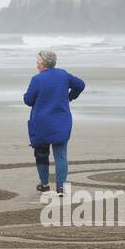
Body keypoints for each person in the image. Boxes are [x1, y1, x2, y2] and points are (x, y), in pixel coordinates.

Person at [23, 49, 85, 194]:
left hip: (42, 123)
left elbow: (28, 100)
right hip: (61, 121)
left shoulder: (37, 79)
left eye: (38, 61)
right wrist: (70, 96)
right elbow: (80, 85)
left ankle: (44, 184)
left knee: (41, 154)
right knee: (61, 154)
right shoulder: (63, 75)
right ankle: (61, 187)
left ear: (43, 63)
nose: (37, 64)